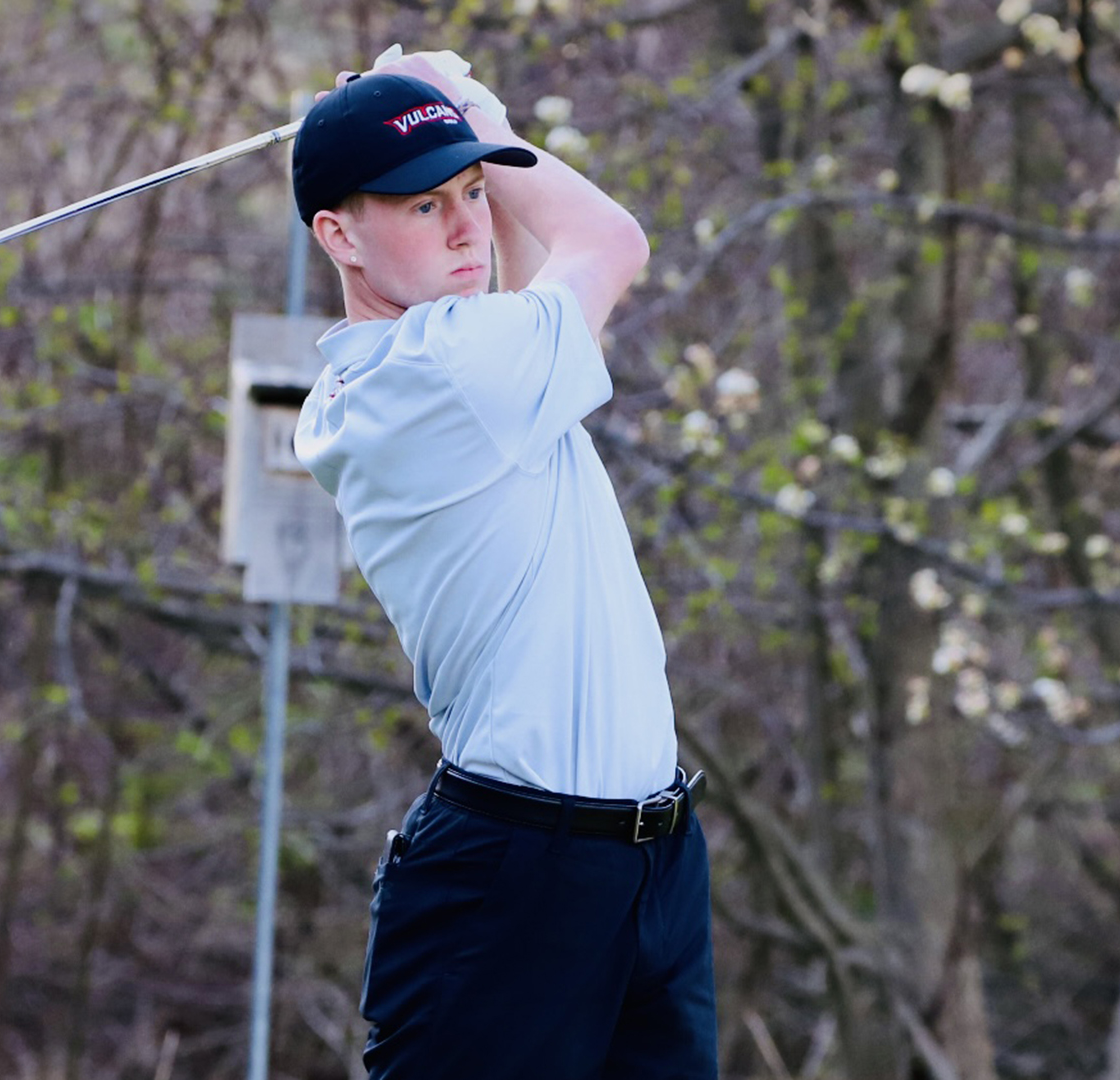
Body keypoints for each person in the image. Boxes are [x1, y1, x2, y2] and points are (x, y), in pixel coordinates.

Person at [289, 49, 716, 1079]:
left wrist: (447, 122)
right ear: (339, 235)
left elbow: (520, 267)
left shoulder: (458, 353)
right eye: (425, 205)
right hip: (520, 878)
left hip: (649, 860)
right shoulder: (440, 375)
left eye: (476, 190)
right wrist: (475, 107)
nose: (469, 223)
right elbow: (609, 240)